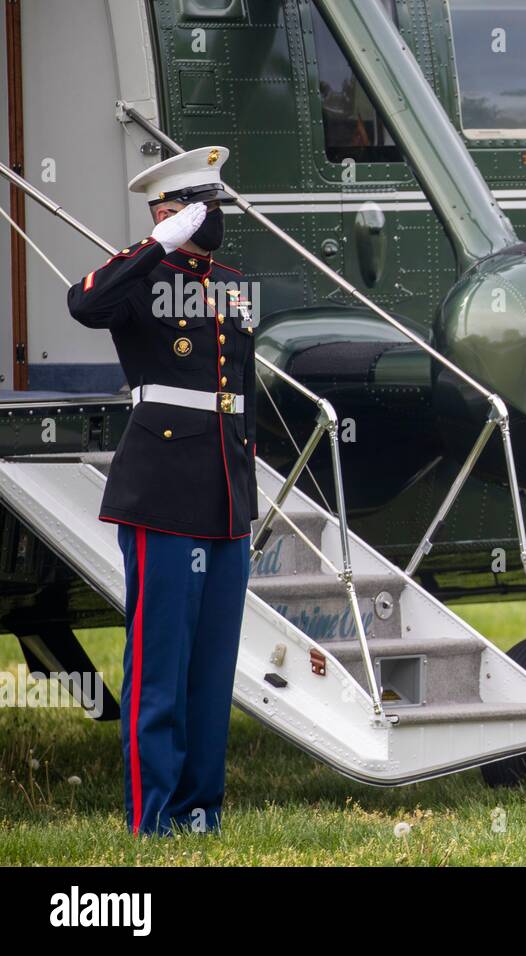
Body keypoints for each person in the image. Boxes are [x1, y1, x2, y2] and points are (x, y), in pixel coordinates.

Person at [66, 145, 258, 836]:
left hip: (225, 494)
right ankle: (154, 818)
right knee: (162, 668)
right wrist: (153, 244)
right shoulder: (139, 277)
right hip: (163, 488)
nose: (217, 221)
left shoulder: (235, 284)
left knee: (211, 671)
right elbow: (85, 305)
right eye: (204, 210)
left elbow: (244, 391)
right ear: (172, 214)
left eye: (218, 207)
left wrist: (250, 485)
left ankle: (201, 812)